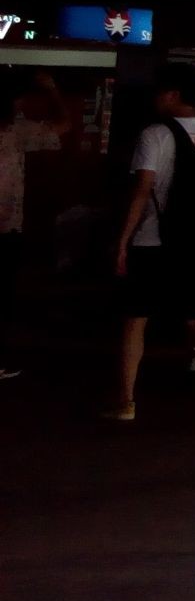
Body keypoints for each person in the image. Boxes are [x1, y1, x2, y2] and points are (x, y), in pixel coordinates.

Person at [107, 63, 195, 421]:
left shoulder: (155, 134)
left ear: (173, 94)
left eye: (160, 91)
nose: (156, 98)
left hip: (152, 240)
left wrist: (122, 240)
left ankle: (125, 401)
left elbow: (142, 190)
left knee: (135, 319)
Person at [0, 69, 64, 381]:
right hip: (7, 227)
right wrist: (52, 91)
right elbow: (62, 126)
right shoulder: (16, 131)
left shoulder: (17, 130)